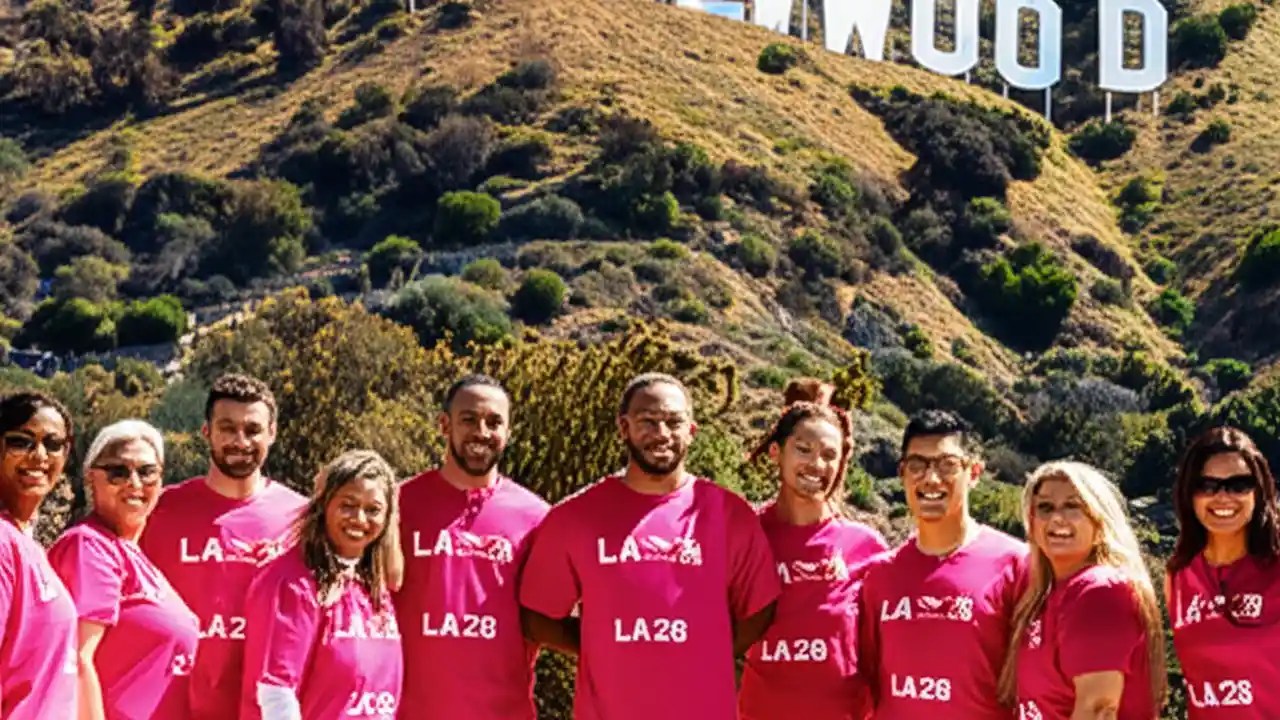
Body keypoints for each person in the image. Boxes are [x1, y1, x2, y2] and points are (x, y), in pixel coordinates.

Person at [519, 372, 780, 720]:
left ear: (692, 431)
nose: (661, 434)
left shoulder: (728, 513)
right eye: (647, 421)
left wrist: (710, 648)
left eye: (674, 422)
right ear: (623, 428)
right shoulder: (576, 516)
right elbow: (537, 617)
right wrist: (598, 646)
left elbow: (761, 608)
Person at [139, 373, 308, 720]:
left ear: (272, 434)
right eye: (227, 427)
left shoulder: (302, 519)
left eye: (253, 429)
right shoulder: (158, 511)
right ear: (207, 432)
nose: (240, 440)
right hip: (168, 708)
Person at [394, 374, 550, 720]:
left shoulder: (537, 517)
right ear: (444, 425)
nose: (481, 432)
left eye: (494, 422)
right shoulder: (397, 505)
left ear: (508, 432)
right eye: (469, 420)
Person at [857, 409, 1026, 719]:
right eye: (917, 465)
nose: (931, 479)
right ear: (902, 473)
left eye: (948, 465)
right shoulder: (879, 576)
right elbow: (867, 683)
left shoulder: (1017, 565)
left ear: (974, 473)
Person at [738, 386, 888, 720]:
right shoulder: (744, 535)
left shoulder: (866, 546)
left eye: (829, 455)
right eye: (803, 449)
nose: (816, 464)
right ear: (776, 452)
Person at [48, 420, 200, 720]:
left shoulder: (131, 553)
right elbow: (76, 660)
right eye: (118, 472)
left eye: (147, 471)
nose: (135, 482)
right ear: (92, 479)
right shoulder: (89, 548)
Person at [240, 449, 403, 720]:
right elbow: (276, 693)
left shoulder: (370, 586)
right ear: (324, 505)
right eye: (347, 505)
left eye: (373, 510)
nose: (359, 519)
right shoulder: (294, 582)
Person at [999, 461, 1165, 719]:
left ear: (1100, 524)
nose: (1057, 518)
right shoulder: (1044, 597)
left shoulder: (1099, 592)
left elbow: (1098, 709)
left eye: (1073, 506)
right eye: (1045, 507)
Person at [1166, 426, 1280, 717]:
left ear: (1259, 491)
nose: (1223, 497)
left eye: (1239, 485)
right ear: (1189, 494)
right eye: (1207, 485)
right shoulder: (1178, 575)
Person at [0, 391, 78, 718]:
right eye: (21, 442)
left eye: (54, 444)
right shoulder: (3, 542)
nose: (39, 455)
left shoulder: (24, 541)